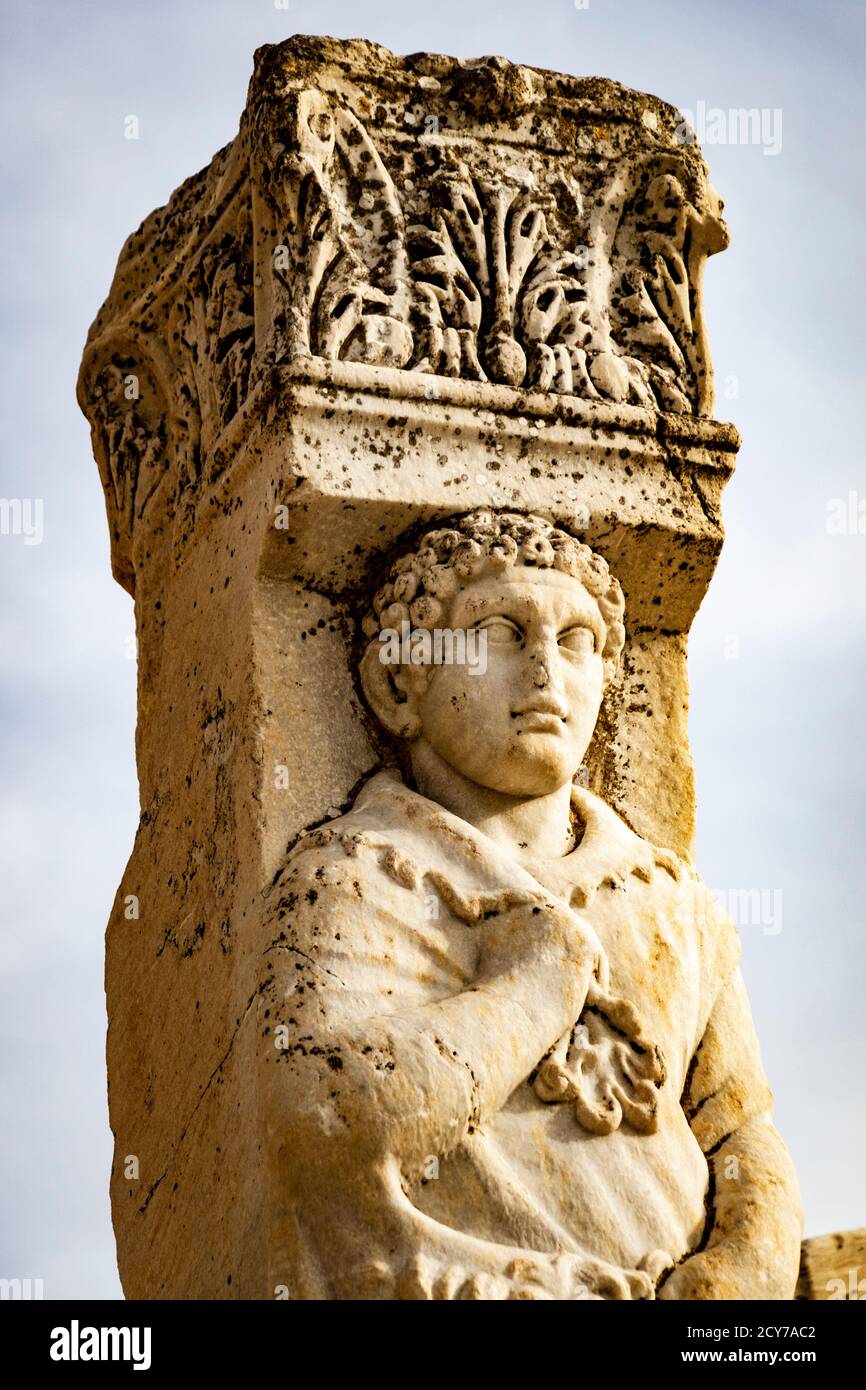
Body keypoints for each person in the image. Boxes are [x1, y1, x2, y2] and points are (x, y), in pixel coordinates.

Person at [261, 510, 801, 1300]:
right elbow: (331, 1116)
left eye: (577, 639)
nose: (547, 670)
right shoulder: (358, 874)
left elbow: (740, 1124)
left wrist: (743, 1267)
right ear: (397, 685)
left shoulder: (668, 898)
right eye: (502, 633)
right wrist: (533, 986)